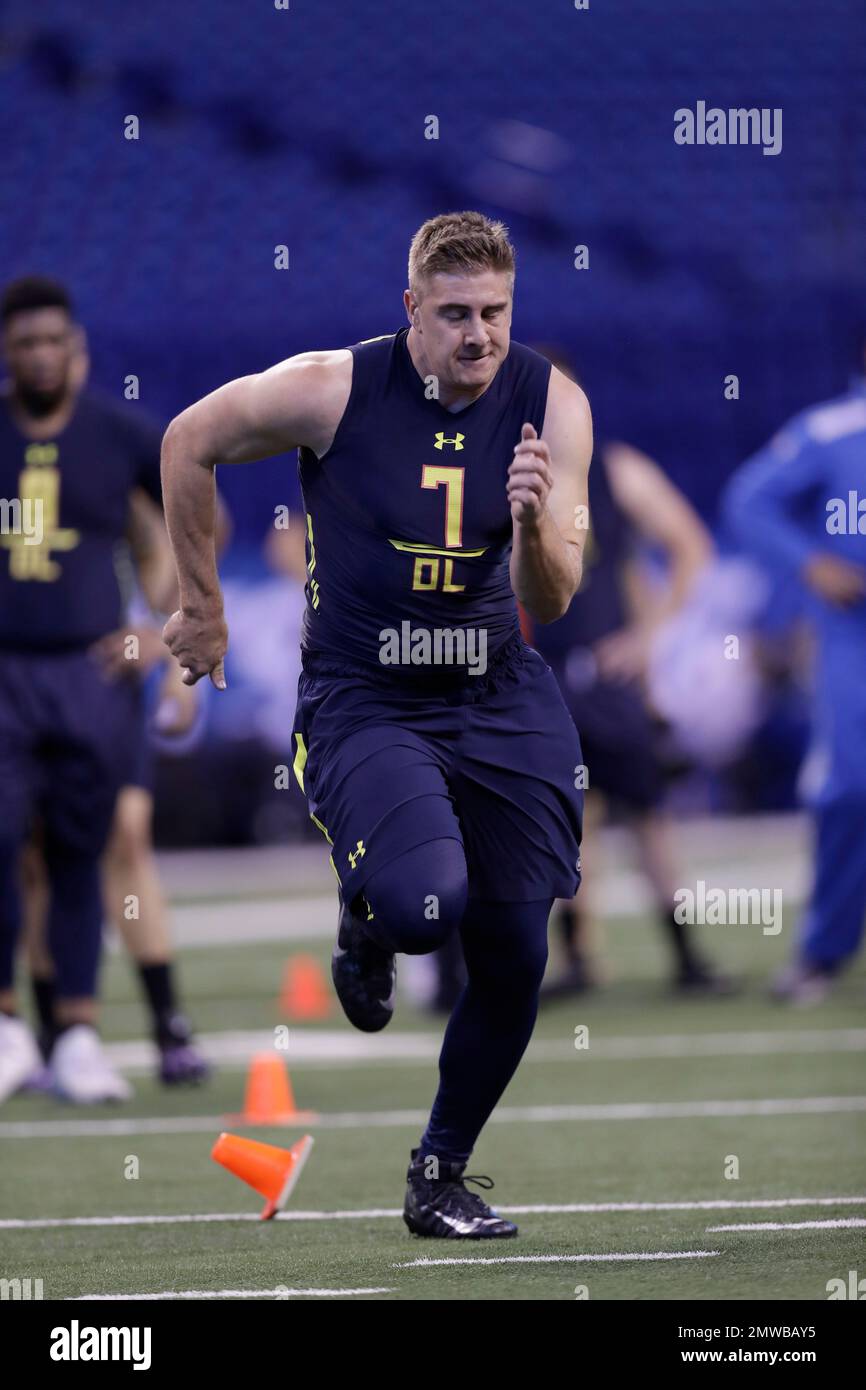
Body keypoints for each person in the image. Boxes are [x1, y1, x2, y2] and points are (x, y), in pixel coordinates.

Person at [161, 211, 591, 1239]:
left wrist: (532, 523)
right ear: (411, 312)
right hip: (367, 695)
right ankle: (367, 911)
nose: (478, 334)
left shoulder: (552, 404)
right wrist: (201, 603)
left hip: (493, 689)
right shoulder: (332, 387)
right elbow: (189, 440)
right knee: (421, 906)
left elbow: (558, 594)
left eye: (493, 312)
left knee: (517, 952)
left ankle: (438, 1174)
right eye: (454, 315)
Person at [0, 276, 189, 1103]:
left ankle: (77, 1031)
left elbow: (183, 522)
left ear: (76, 353)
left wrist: (167, 632)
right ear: (8, 356)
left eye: (53, 342)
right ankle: (9, 1025)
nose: (40, 356)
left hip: (90, 671)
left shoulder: (121, 435)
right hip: (4, 668)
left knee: (84, 854)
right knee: (2, 845)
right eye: (24, 344)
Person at [723, 372, 866, 1003]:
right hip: (853, 630)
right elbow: (748, 500)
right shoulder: (833, 429)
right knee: (849, 789)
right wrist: (811, 564)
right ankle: (823, 952)